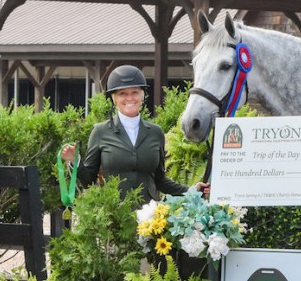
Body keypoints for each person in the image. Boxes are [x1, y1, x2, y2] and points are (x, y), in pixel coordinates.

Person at [60, 64, 204, 201]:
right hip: (114, 216)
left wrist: (191, 190)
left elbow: (160, 180)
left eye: (134, 92)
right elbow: (89, 181)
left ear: (142, 96)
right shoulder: (100, 132)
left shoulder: (156, 132)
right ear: (114, 99)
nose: (129, 98)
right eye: (122, 93)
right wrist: (75, 161)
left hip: (150, 218)